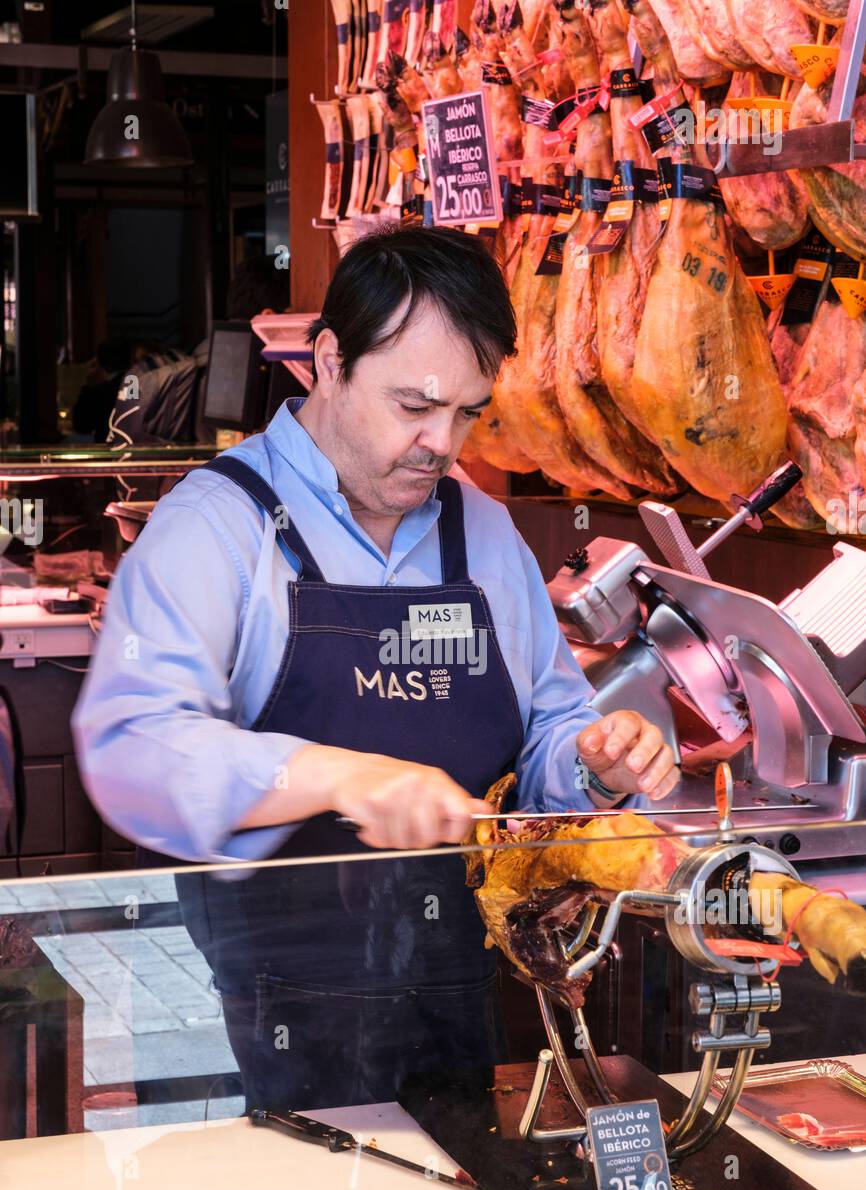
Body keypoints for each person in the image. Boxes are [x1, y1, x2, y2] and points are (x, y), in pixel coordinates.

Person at [73, 225, 680, 1111]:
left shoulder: (484, 535)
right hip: (248, 1015)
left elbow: (548, 728)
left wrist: (593, 763)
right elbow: (131, 745)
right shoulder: (215, 527)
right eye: (413, 406)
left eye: (468, 412)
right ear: (328, 361)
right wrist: (332, 775)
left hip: (458, 1000)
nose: (443, 444)